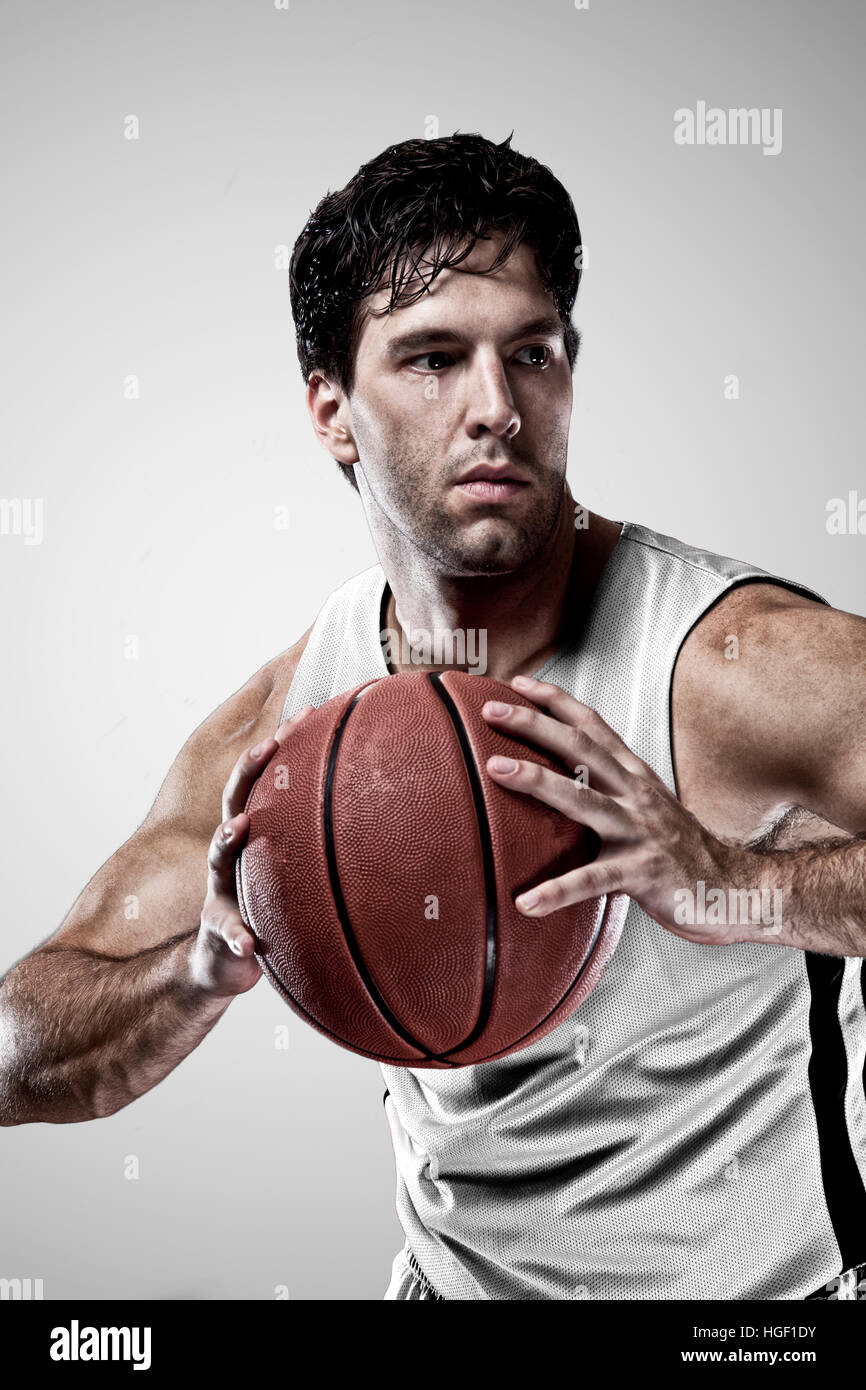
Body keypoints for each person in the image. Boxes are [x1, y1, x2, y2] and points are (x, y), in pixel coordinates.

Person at [1, 133, 864, 1302]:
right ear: (331, 411)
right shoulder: (297, 725)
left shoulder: (727, 663)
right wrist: (190, 976)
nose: (495, 408)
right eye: (431, 360)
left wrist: (730, 883)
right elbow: (18, 1051)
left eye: (532, 354)